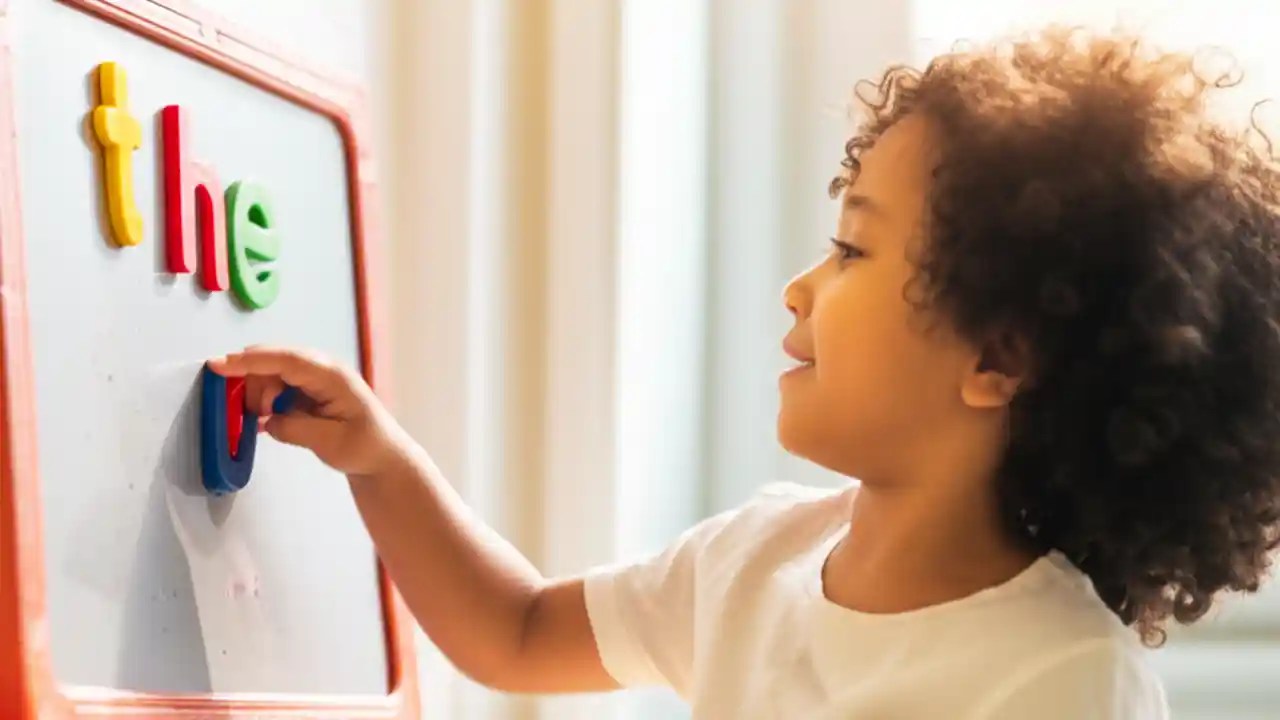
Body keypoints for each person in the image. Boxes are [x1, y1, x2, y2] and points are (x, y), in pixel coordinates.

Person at [208, 27, 1280, 718]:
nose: (798, 287)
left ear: (996, 357)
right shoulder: (755, 555)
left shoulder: (1059, 683)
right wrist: (377, 461)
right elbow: (517, 631)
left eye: (853, 250)